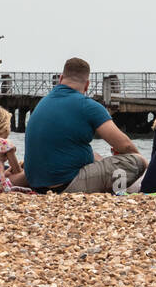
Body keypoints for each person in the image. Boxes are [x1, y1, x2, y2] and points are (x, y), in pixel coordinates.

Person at [24, 57, 147, 193]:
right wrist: (141, 162)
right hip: (65, 185)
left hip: (36, 183)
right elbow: (125, 145)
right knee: (136, 162)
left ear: (60, 79)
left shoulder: (43, 102)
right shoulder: (88, 106)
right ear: (87, 85)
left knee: (93, 154)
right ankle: (126, 185)